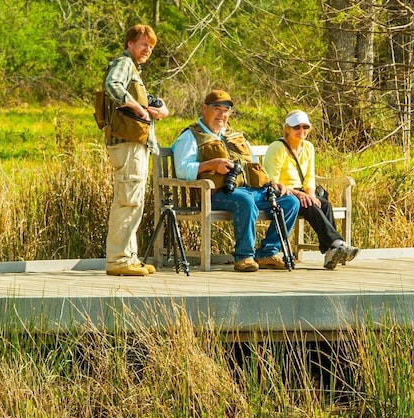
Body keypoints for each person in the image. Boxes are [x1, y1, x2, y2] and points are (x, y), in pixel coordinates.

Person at [171, 90, 299, 272]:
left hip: (251, 190)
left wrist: (271, 183)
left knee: (290, 202)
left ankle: (268, 253)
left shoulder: (236, 136)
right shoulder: (190, 136)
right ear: (204, 108)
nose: (221, 115)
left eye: (226, 110)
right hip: (216, 194)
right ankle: (244, 256)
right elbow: (182, 169)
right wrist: (212, 164)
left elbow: (254, 165)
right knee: (244, 201)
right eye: (217, 109)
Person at [102, 24, 171, 277]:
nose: (148, 50)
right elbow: (113, 85)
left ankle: (128, 257)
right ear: (130, 43)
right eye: (144, 44)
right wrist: (137, 108)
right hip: (128, 145)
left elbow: (143, 96)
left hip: (134, 144)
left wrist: (158, 107)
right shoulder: (123, 63)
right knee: (128, 201)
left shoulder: (133, 68)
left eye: (151, 47)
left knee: (133, 201)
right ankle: (119, 259)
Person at [261, 110, 360, 269]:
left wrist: (310, 194)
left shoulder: (308, 147)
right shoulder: (277, 147)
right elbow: (272, 181)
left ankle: (332, 250)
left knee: (323, 204)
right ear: (288, 129)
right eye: (297, 127)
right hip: (283, 194)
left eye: (305, 127)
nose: (302, 131)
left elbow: (309, 176)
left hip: (301, 191)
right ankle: (336, 245)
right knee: (310, 204)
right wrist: (300, 194)